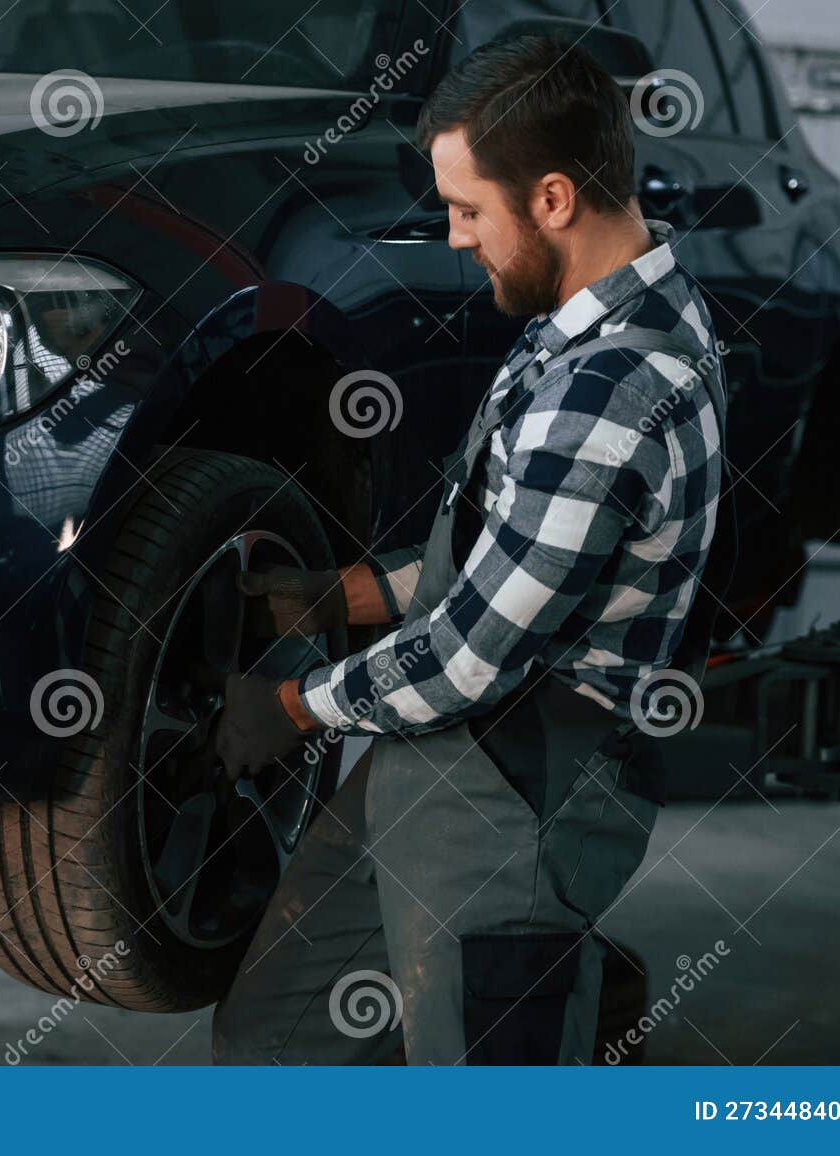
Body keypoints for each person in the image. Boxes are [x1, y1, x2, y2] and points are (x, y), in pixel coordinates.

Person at [209, 34, 727, 1065]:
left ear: (549, 199)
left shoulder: (613, 389)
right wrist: (337, 595)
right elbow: (506, 552)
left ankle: (555, 994)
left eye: (465, 209)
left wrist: (292, 706)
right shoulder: (572, 334)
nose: (451, 237)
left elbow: (472, 656)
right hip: (433, 752)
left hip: (518, 798)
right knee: (278, 1034)